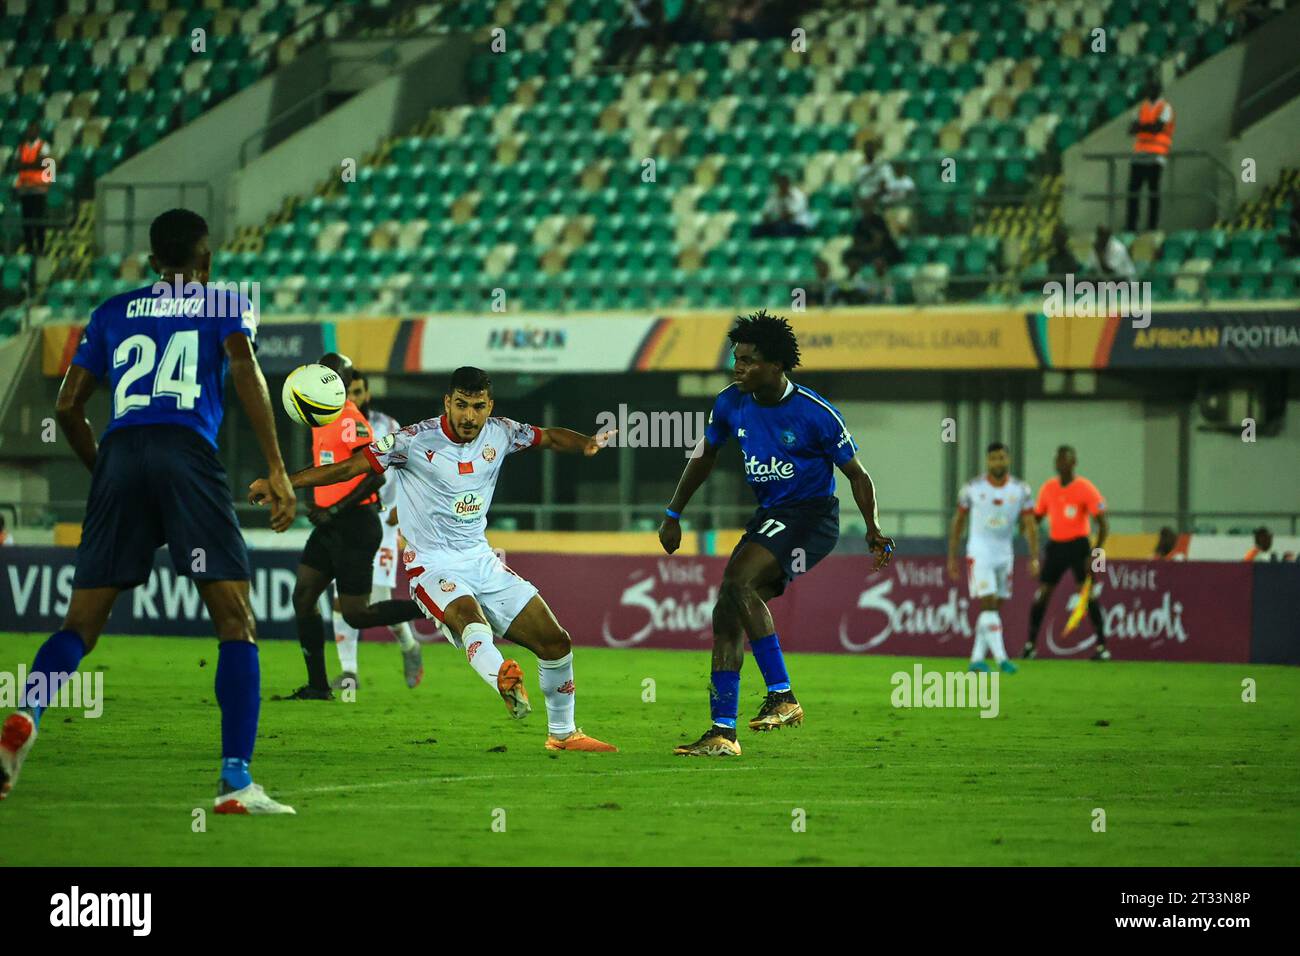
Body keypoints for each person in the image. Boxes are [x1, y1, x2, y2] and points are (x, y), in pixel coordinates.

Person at [1, 209, 298, 813]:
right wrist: (276, 464)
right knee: (236, 622)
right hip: (186, 451)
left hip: (121, 451)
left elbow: (67, 407)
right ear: (206, 259)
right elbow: (244, 367)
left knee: (78, 626)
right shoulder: (223, 304)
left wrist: (108, 473)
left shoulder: (111, 311)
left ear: (152, 261)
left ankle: (27, 711)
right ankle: (235, 781)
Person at [250, 366, 619, 753]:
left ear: (489, 406)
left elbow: (548, 438)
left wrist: (585, 443)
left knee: (555, 642)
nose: (469, 416)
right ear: (448, 402)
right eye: (461, 405)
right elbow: (347, 468)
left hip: (481, 560)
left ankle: (563, 734)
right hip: (432, 564)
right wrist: (281, 483)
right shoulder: (410, 441)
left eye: (478, 407)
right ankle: (503, 679)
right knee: (468, 619)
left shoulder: (503, 432)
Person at [658, 311, 894, 757]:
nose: (738, 368)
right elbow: (705, 456)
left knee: (737, 584)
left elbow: (857, 476)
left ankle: (783, 696)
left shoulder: (815, 413)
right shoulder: (730, 402)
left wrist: (874, 529)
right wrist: (673, 512)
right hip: (772, 514)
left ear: (776, 365)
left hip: (811, 516)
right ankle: (723, 732)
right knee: (728, 607)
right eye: (736, 359)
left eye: (748, 361)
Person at [279, 352, 424, 701]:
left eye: (338, 376)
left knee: (357, 613)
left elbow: (375, 473)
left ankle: (433, 606)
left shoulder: (349, 418)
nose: (333, 381)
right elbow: (328, 467)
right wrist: (317, 499)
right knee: (303, 596)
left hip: (356, 524)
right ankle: (317, 685)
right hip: (331, 524)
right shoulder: (321, 417)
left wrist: (337, 507)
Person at [329, 370, 424, 691]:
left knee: (379, 598)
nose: (353, 397)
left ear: (366, 393)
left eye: (357, 391)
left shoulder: (387, 426)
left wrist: (403, 508)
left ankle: (409, 645)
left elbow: (406, 467)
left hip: (384, 519)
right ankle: (349, 672)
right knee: (341, 598)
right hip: (348, 517)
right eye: (348, 392)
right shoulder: (333, 424)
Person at [947, 443, 1037, 674]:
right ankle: (1002, 659)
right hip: (980, 551)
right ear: (988, 461)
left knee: (995, 607)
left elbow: (1030, 525)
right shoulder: (972, 488)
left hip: (1005, 553)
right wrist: (952, 556)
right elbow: (958, 522)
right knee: (988, 603)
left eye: (1002, 458)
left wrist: (1034, 556)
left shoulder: (1021, 490)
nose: (999, 462)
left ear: (1008, 460)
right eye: (994, 458)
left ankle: (977, 658)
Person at [1023, 446, 1111, 661]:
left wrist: (1096, 555)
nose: (1060, 463)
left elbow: (1103, 525)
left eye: (1065, 460)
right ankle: (1030, 645)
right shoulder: (1049, 488)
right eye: (1058, 460)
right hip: (1056, 546)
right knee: (1042, 594)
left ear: (1074, 463)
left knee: (1088, 594)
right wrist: (1024, 523)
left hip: (1079, 546)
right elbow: (1037, 517)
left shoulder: (1085, 488)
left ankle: (1102, 647)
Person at [1125, 76, 1174, 232]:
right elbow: (1131, 130)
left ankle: (1152, 226)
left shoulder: (1165, 107)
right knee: (1133, 191)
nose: (1149, 91)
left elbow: (1157, 128)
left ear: (1158, 90)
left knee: (1153, 192)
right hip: (1139, 154)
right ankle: (1131, 226)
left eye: (1152, 88)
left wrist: (1141, 127)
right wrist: (1146, 127)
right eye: (1148, 88)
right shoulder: (1141, 107)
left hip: (1157, 155)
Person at [12, 121, 52, 255]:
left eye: (33, 130)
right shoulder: (21, 147)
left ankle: (41, 247)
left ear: (38, 131)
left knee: (39, 220)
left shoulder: (44, 146)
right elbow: (16, 165)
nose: (30, 133)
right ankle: (29, 248)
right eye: (29, 130)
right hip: (24, 189)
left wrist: (26, 165)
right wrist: (33, 163)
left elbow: (46, 164)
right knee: (27, 220)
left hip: (39, 188)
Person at [751, 172, 813, 238]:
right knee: (757, 228)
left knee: (781, 227)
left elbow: (789, 216)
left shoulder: (799, 196)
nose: (782, 185)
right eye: (780, 183)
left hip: (798, 225)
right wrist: (769, 218)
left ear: (788, 183)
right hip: (779, 224)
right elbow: (766, 214)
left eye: (784, 183)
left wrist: (775, 216)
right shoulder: (774, 195)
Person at [847, 196, 901, 269]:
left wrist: (863, 248)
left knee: (879, 259)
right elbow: (856, 242)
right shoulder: (859, 223)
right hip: (866, 250)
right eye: (864, 205)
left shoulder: (878, 221)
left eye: (868, 205)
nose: (866, 208)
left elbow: (877, 244)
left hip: (883, 250)